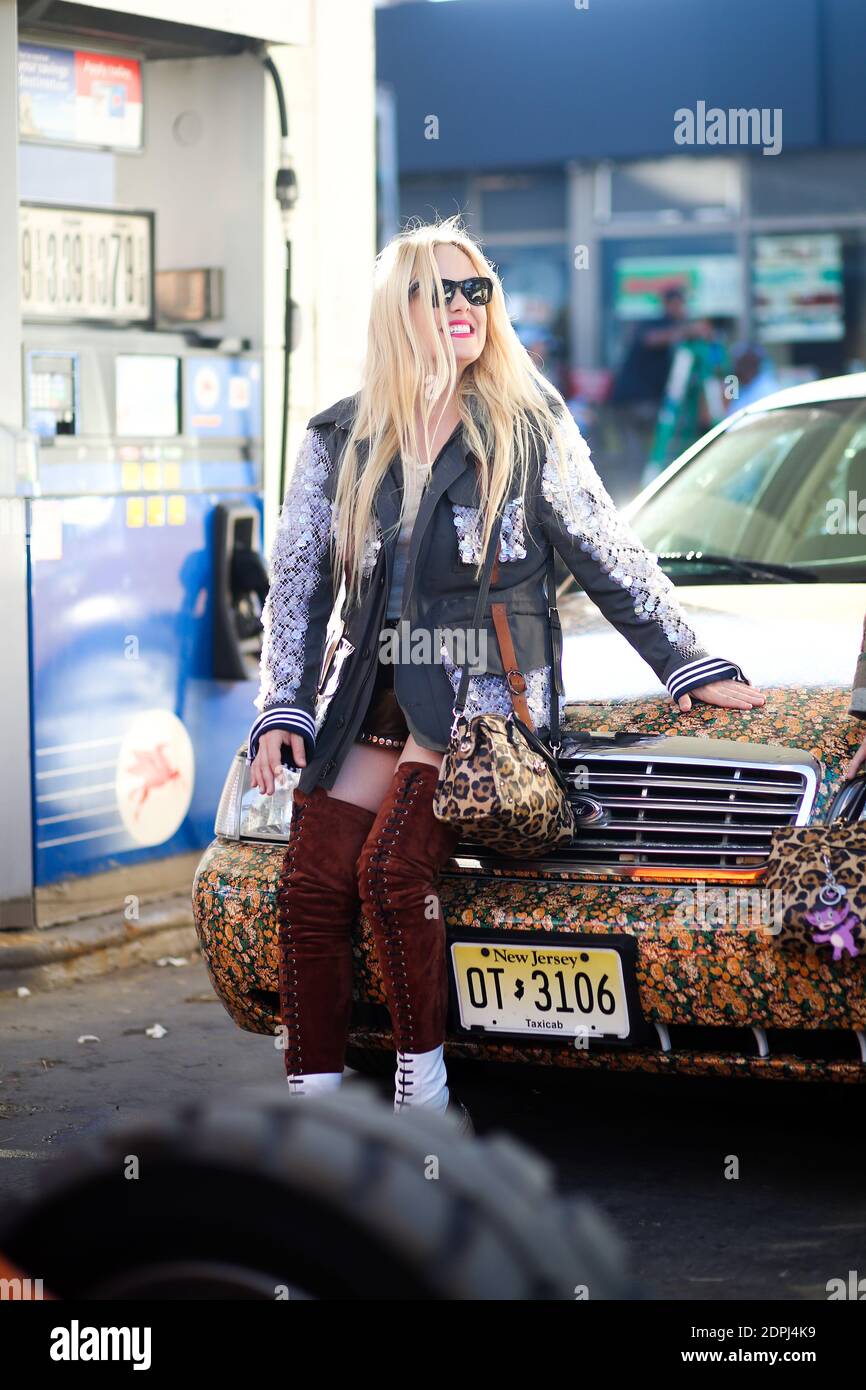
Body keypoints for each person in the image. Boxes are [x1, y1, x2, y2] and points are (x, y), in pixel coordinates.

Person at [246, 217, 766, 1127]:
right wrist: (283, 708)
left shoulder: (528, 428)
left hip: (487, 702)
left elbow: (609, 552)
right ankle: (312, 1115)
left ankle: (425, 1096)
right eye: (438, 290)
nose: (462, 307)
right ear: (396, 310)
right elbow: (297, 584)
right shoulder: (338, 437)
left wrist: (691, 665)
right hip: (374, 692)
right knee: (311, 881)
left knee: (392, 874)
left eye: (475, 289)